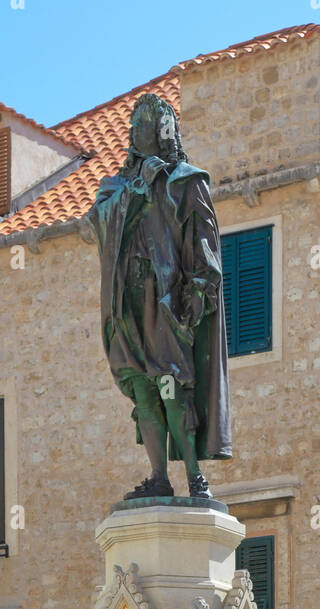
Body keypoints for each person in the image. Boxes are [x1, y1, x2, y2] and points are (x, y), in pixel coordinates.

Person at [88, 91, 231, 502]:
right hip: (126, 302)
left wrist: (197, 295)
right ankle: (157, 476)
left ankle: (193, 475)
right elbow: (97, 222)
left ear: (161, 130)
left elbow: (205, 244)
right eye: (132, 122)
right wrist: (139, 189)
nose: (133, 129)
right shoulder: (114, 187)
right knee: (143, 388)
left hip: (166, 301)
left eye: (142, 123)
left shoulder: (187, 182)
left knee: (171, 383)